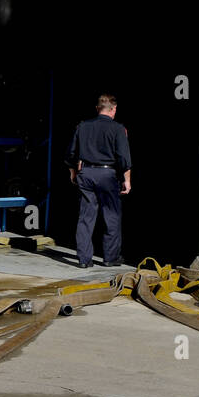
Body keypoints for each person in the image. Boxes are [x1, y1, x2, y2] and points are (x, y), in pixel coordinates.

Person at [64, 94, 132, 268]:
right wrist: (127, 180)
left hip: (85, 173)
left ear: (97, 109)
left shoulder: (82, 126)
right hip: (107, 175)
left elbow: (71, 154)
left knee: (86, 217)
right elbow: (124, 158)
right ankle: (110, 258)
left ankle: (84, 260)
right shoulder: (118, 129)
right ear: (114, 109)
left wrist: (73, 173)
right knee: (112, 217)